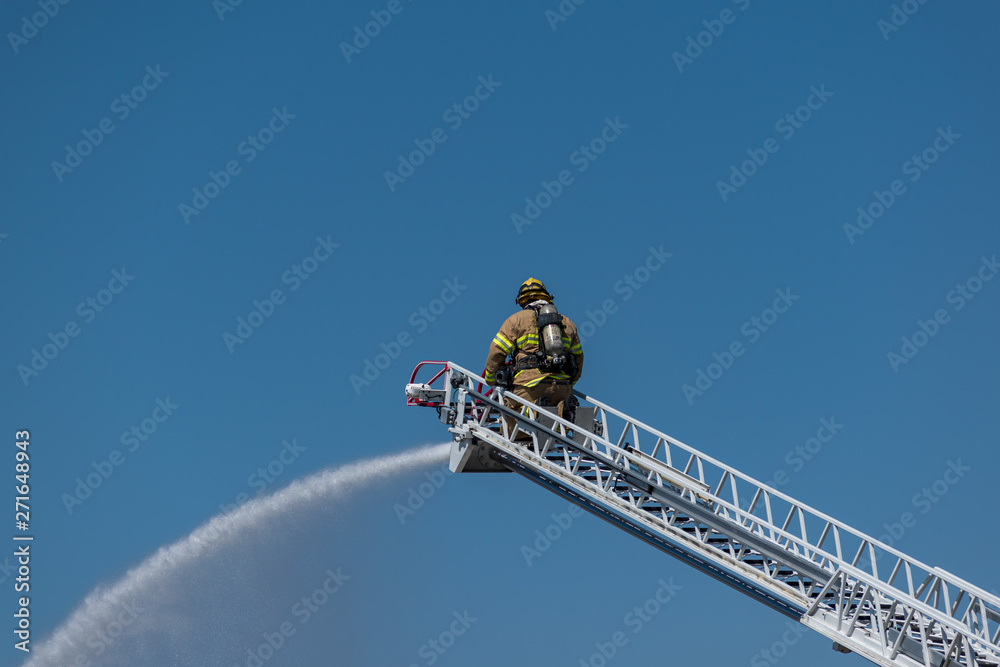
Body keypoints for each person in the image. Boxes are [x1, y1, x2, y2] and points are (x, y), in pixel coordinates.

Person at [483, 278, 584, 433]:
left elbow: (496, 351)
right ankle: (565, 411)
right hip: (562, 387)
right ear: (546, 297)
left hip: (529, 387)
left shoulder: (515, 321)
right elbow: (578, 359)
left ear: (522, 301)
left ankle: (535, 411)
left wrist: (490, 379)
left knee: (510, 425)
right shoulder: (567, 323)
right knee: (558, 424)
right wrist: (569, 384)